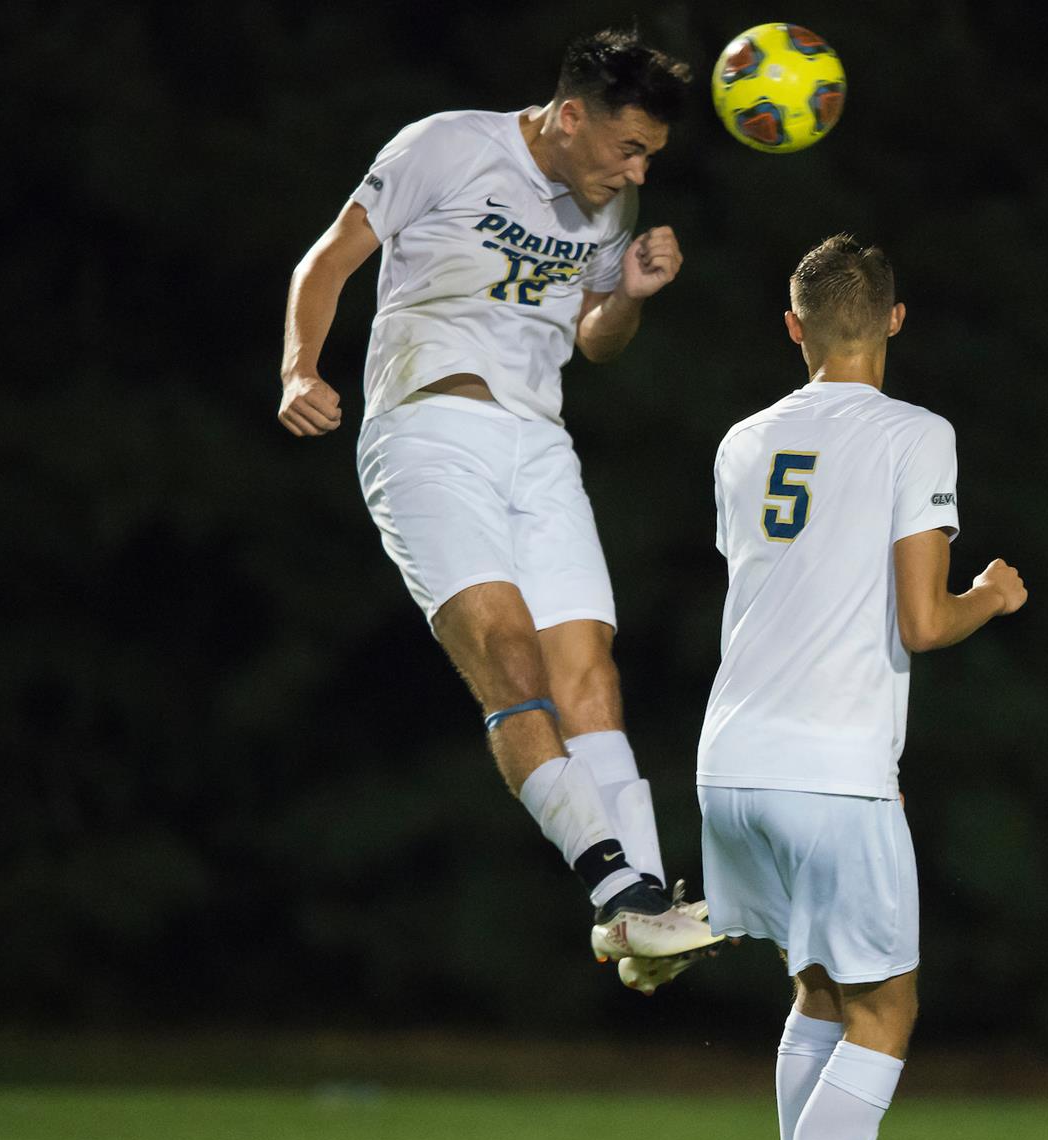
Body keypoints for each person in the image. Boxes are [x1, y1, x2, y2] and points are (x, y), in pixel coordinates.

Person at [273, 30, 717, 979]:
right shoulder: (444, 146)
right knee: (510, 651)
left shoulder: (613, 203)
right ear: (568, 116)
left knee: (588, 666)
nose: (634, 170)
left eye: (648, 157)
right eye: (625, 147)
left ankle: (644, 904)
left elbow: (596, 341)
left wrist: (630, 293)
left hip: (539, 443)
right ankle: (618, 890)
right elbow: (329, 259)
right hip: (427, 433)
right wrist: (298, 367)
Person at [697, 235, 1027, 1140]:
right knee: (887, 1008)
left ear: (791, 329)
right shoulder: (914, 435)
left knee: (821, 993)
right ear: (893, 319)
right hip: (830, 764)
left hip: (729, 761)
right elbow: (922, 623)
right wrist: (991, 595)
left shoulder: (741, 442)